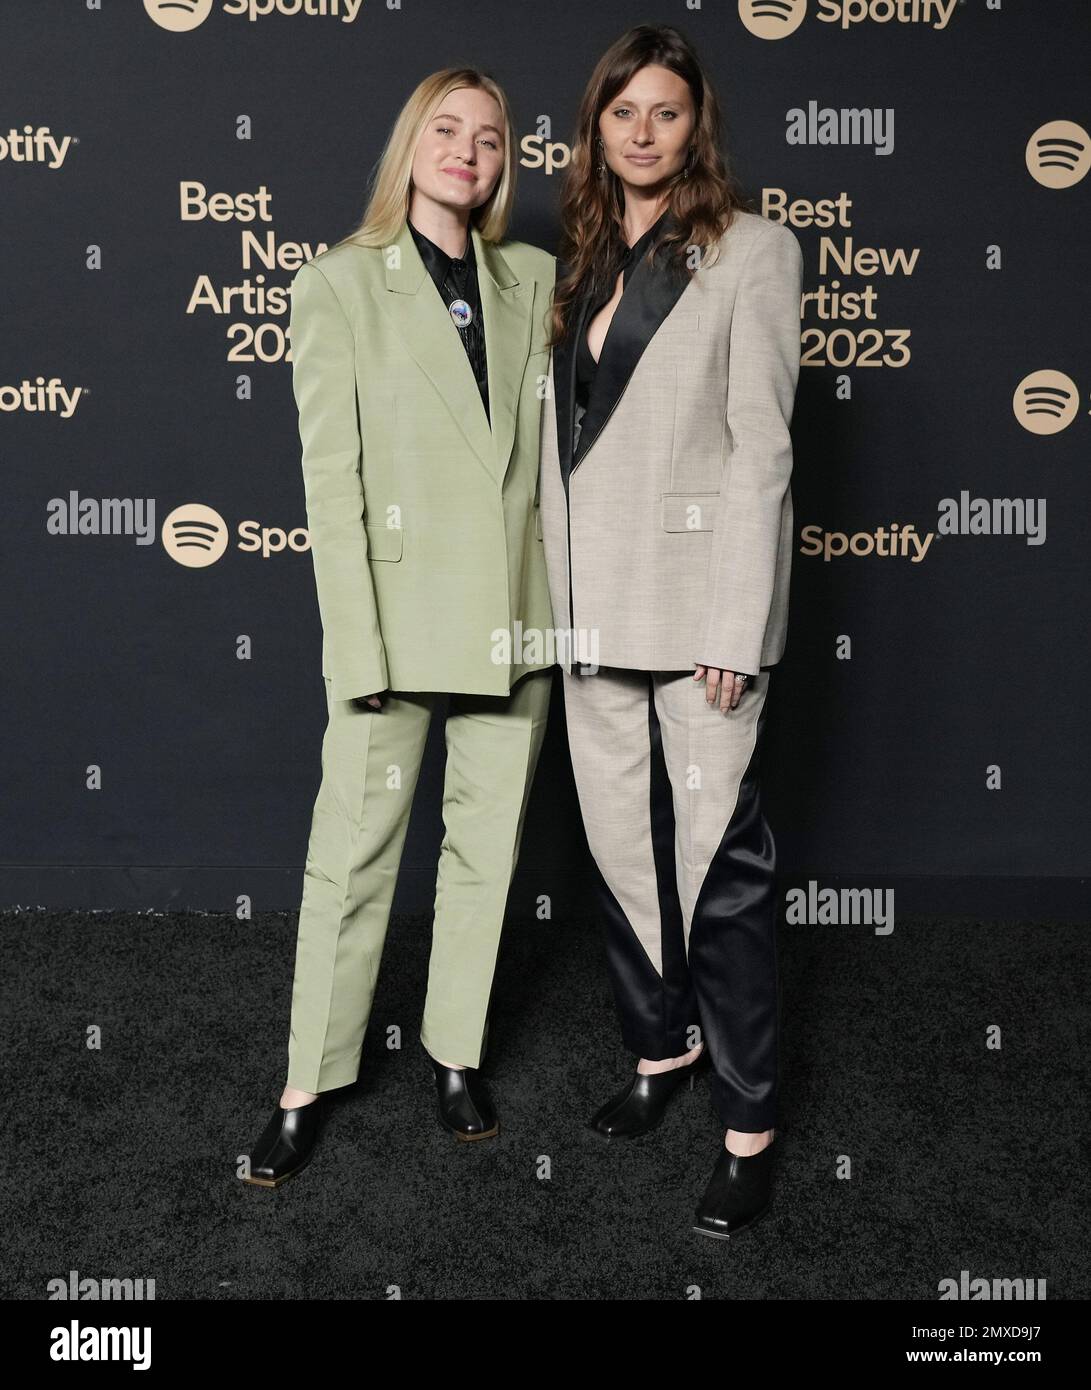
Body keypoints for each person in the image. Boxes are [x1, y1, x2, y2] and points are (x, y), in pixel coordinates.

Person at [241, 68, 556, 1188]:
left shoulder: (534, 276)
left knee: (484, 854)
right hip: (395, 622)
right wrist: (356, 650)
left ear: (503, 160)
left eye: (488, 135)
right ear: (410, 146)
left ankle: (455, 1052)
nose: (466, 149)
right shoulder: (337, 283)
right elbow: (332, 483)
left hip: (517, 623)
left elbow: (549, 467)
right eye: (445, 129)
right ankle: (306, 1078)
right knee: (353, 856)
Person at [538, 24, 804, 1238]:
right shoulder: (575, 257)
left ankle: (747, 1126)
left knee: (721, 871)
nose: (642, 133)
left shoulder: (749, 251)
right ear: (594, 127)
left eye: (665, 111)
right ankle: (660, 1055)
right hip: (588, 607)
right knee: (617, 846)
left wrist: (736, 626)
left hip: (698, 613)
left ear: (696, 124)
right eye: (620, 112)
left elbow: (761, 451)